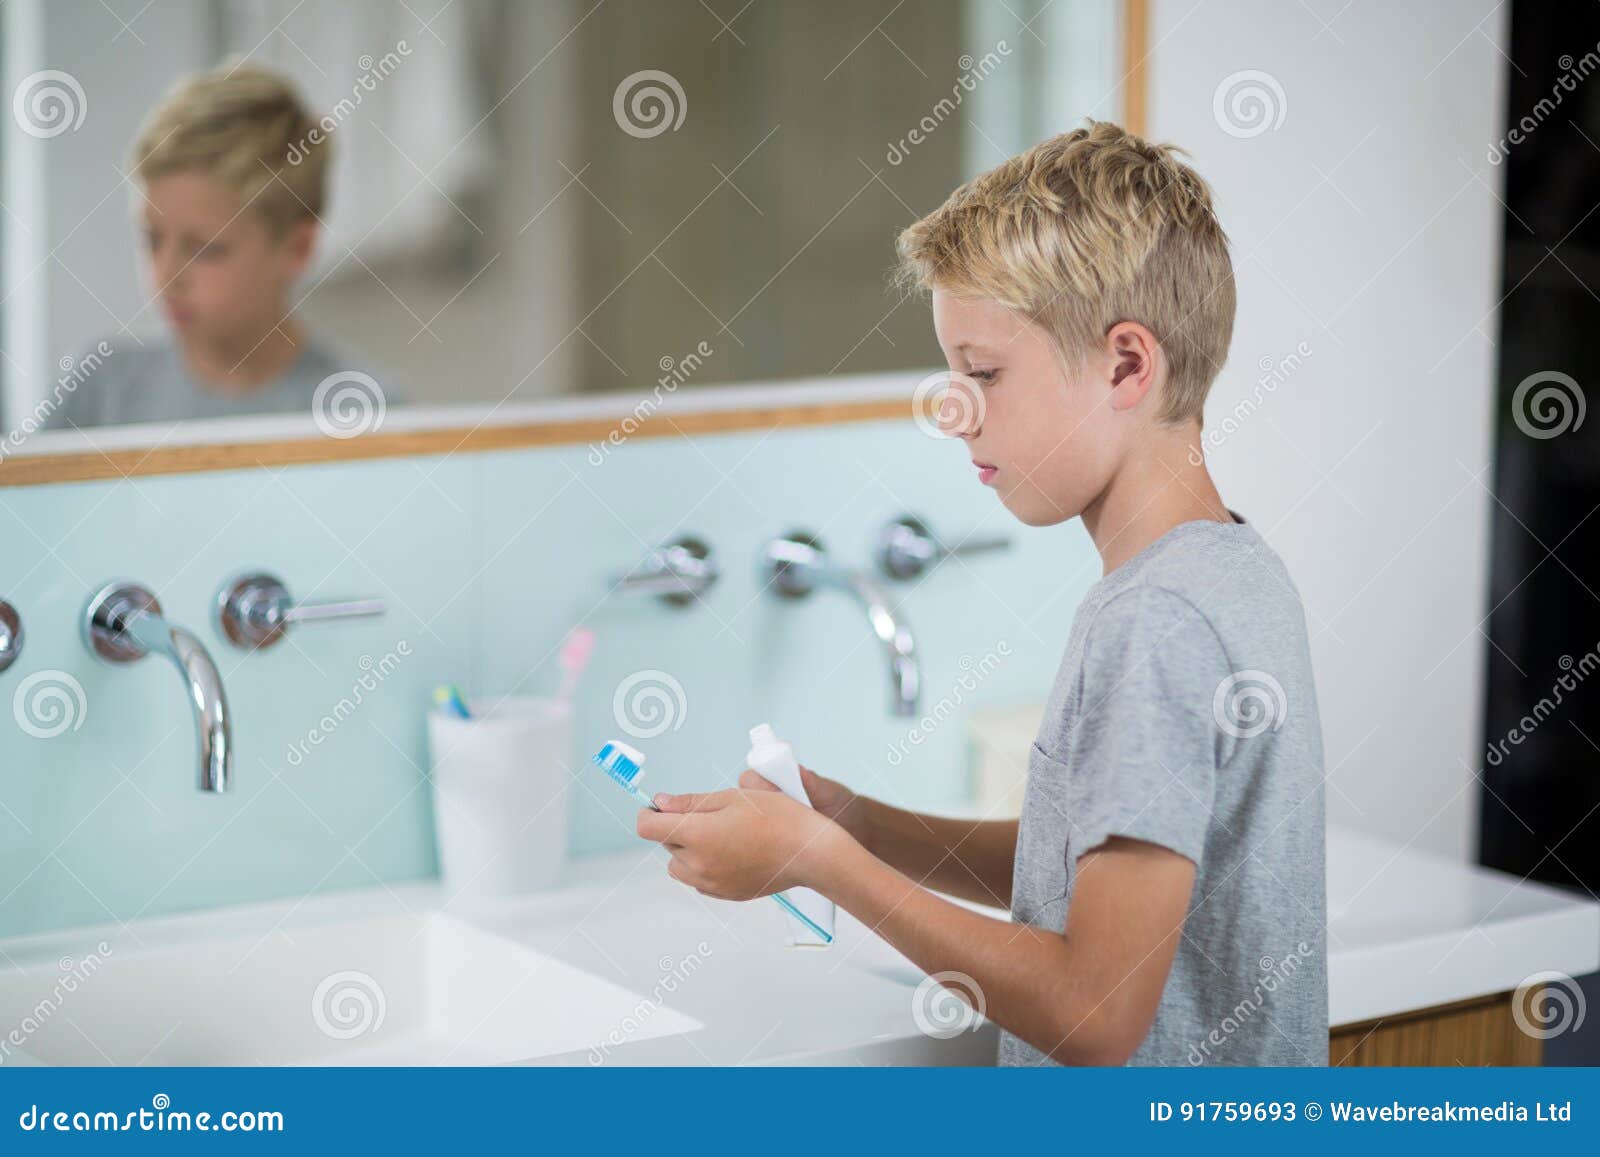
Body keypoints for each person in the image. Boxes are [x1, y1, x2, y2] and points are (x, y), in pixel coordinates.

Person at [636, 121, 1328, 1067]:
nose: (954, 412)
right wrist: (860, 829)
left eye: (984, 374)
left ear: (1128, 364)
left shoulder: (1155, 623)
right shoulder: (1230, 570)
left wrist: (820, 865)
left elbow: (1096, 1010)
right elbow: (1086, 875)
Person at [48, 63, 379, 430]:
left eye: (204, 249)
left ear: (297, 248)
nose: (166, 275)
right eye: (152, 239)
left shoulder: (363, 413)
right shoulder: (98, 392)